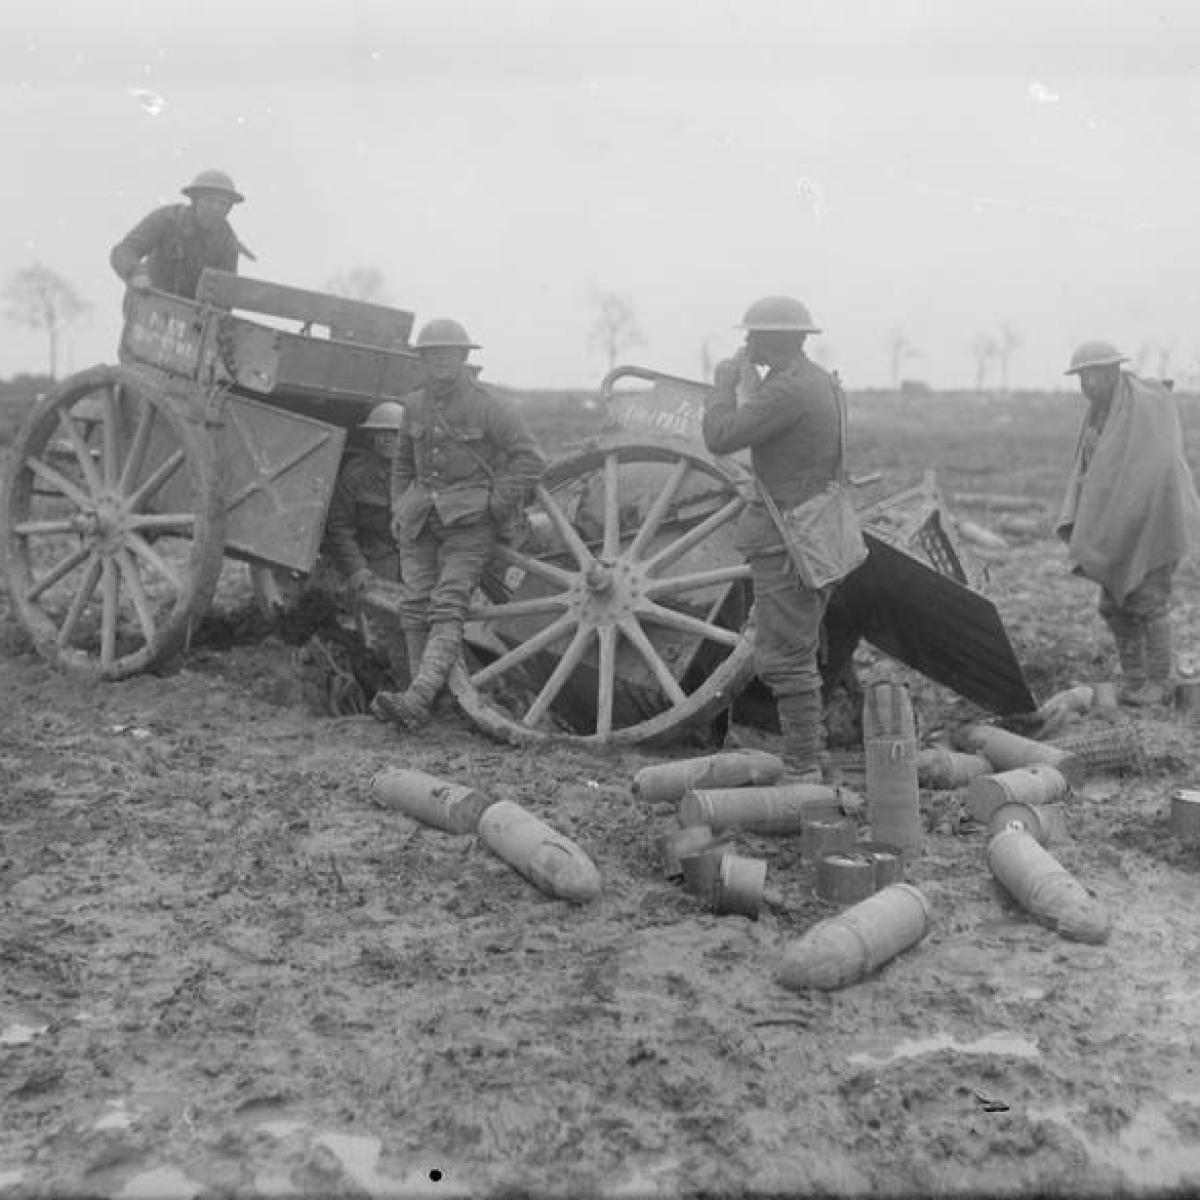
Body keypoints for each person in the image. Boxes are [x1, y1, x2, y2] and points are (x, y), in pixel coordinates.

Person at [370, 318, 546, 728]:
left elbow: (531, 458)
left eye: (449, 354)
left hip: (469, 523)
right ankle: (420, 701)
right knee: (414, 605)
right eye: (432, 355)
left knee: (448, 603)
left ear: (464, 357)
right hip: (418, 521)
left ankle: (419, 697)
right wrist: (400, 506)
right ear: (423, 360)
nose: (441, 362)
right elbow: (401, 464)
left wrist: (495, 504)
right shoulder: (413, 404)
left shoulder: (490, 406)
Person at [702, 295, 841, 779]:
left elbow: (719, 436)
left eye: (752, 335)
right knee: (795, 647)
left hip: (786, 537)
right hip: (814, 529)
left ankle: (804, 767)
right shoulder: (814, 381)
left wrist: (723, 384)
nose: (745, 342)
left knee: (784, 657)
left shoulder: (786, 392)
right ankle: (811, 757)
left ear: (771, 340)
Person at [1056, 340, 1200, 706]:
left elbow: (1159, 465)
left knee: (1149, 602)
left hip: (1154, 521)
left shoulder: (1145, 406)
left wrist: (1136, 513)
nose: (1088, 384)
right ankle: (1135, 679)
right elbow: (1090, 473)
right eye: (1082, 376)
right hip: (1116, 527)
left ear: (1113, 371)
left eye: (1095, 375)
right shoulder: (1097, 413)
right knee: (1113, 605)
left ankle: (1160, 683)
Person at [110, 169, 253, 300]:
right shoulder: (168, 219)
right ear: (195, 201)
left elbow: (223, 294)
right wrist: (135, 273)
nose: (215, 208)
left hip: (191, 316)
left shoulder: (227, 243)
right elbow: (124, 250)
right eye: (209, 200)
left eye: (222, 203)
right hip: (148, 303)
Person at [324, 401, 405, 596]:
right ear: (371, 436)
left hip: (417, 560)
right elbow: (340, 526)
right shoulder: (356, 474)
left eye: (395, 434)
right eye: (381, 433)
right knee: (380, 614)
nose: (388, 440)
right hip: (375, 559)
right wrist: (356, 567)